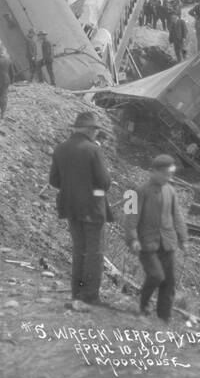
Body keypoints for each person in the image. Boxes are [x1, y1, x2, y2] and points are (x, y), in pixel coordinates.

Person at [49, 112, 112, 310]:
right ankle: (90, 295)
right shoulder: (93, 150)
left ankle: (77, 291)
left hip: (71, 206)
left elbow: (54, 181)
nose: (96, 134)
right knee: (94, 251)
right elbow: (104, 182)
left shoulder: (60, 149)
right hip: (92, 208)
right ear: (88, 130)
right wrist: (96, 192)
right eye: (95, 130)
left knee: (79, 250)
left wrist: (72, 188)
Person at [126, 154, 189, 322]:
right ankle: (143, 305)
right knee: (156, 276)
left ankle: (164, 317)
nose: (170, 177)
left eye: (171, 174)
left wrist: (183, 239)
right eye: (167, 173)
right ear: (154, 172)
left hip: (168, 243)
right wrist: (133, 239)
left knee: (169, 283)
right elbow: (129, 218)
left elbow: (178, 216)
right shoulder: (135, 192)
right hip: (147, 244)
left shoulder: (171, 191)